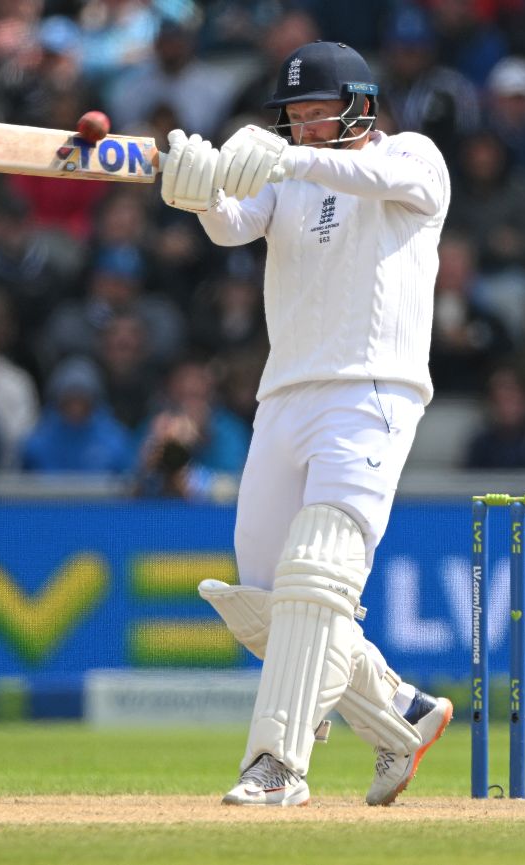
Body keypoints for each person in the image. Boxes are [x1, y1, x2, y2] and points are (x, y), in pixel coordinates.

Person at [162, 40, 453, 807]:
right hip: (284, 395)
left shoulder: (415, 158)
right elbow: (232, 224)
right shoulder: (291, 173)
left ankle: (277, 765)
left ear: (360, 105)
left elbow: (370, 175)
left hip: (371, 394)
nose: (307, 129)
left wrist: (291, 160)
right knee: (261, 596)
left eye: (319, 113)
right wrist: (195, 191)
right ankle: (400, 711)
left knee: (317, 576)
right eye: (295, 118)